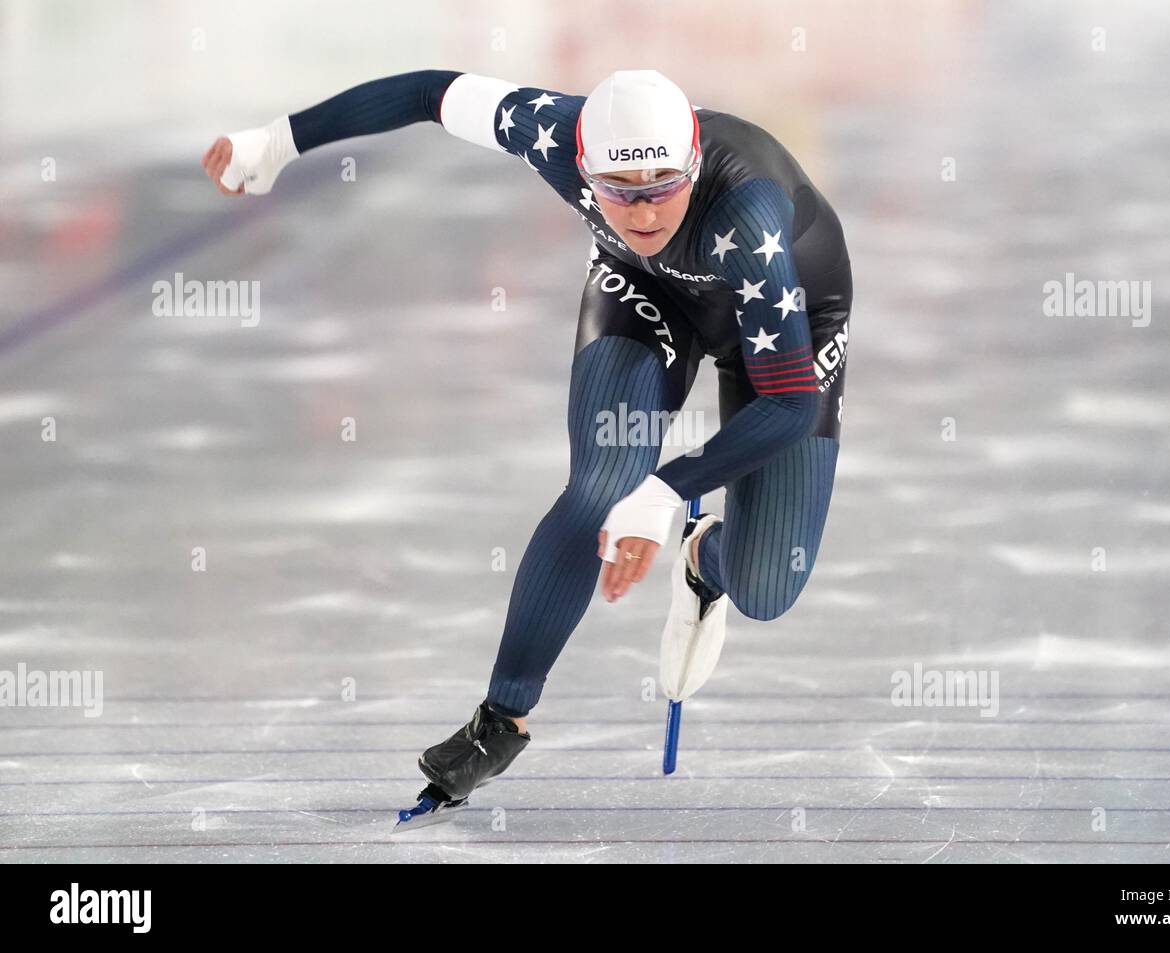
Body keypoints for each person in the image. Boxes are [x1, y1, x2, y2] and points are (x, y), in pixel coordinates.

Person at [203, 68, 852, 806]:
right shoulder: (549, 129)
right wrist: (279, 141)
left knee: (768, 586)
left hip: (786, 320)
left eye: (662, 187)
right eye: (618, 190)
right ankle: (499, 722)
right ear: (580, 167)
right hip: (646, 295)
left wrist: (669, 490)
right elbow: (428, 94)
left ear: (695, 165)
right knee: (601, 489)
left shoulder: (750, 216)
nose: (641, 213)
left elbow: (790, 403)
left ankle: (707, 561)